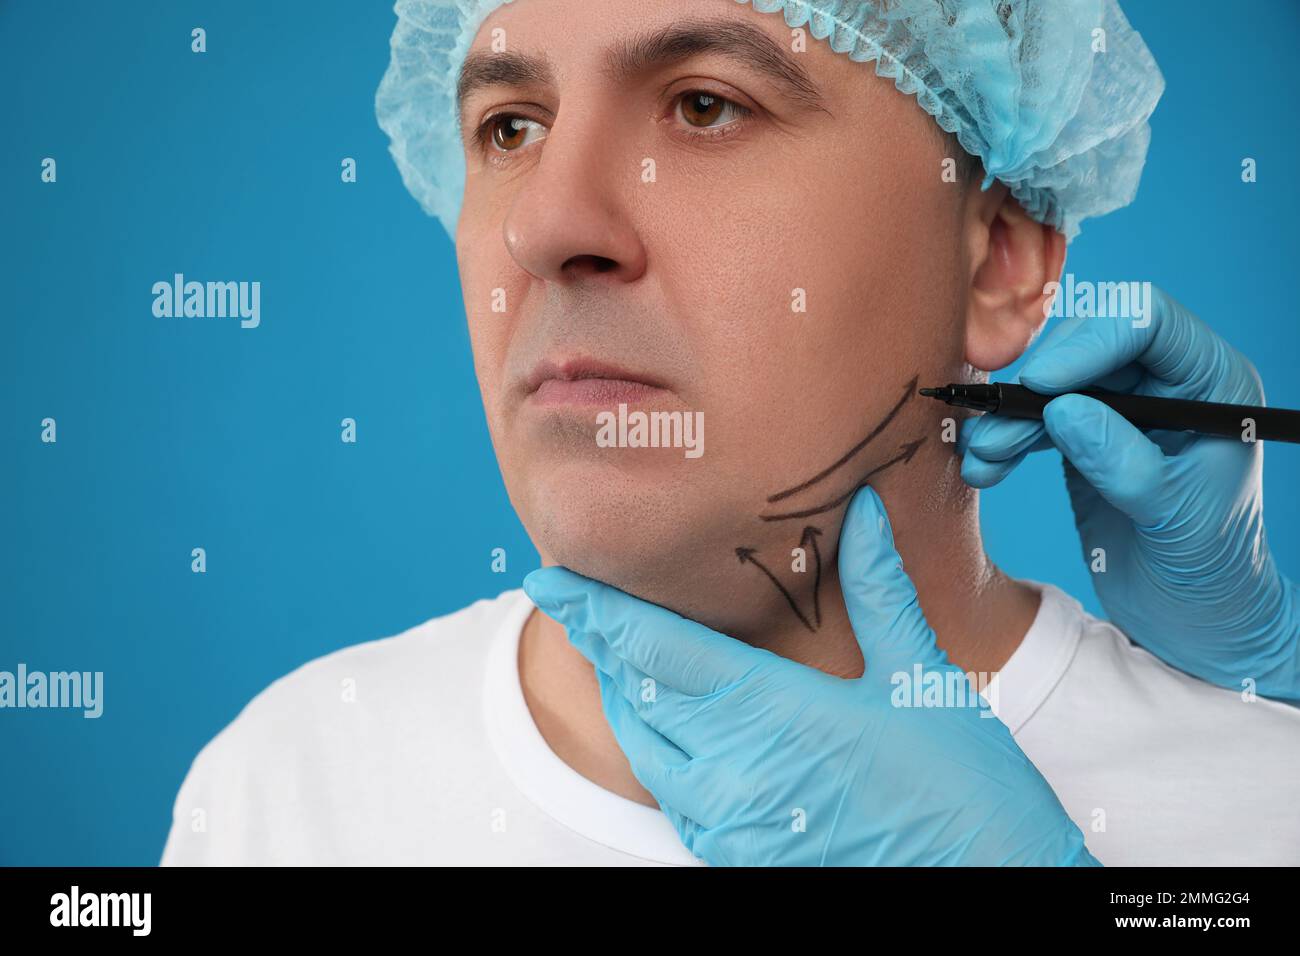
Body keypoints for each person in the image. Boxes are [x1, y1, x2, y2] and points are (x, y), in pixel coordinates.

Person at [161, 0, 1300, 866]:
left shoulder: (1259, 814)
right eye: (509, 126)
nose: (548, 225)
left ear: (999, 250)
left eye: (706, 105)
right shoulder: (290, 785)